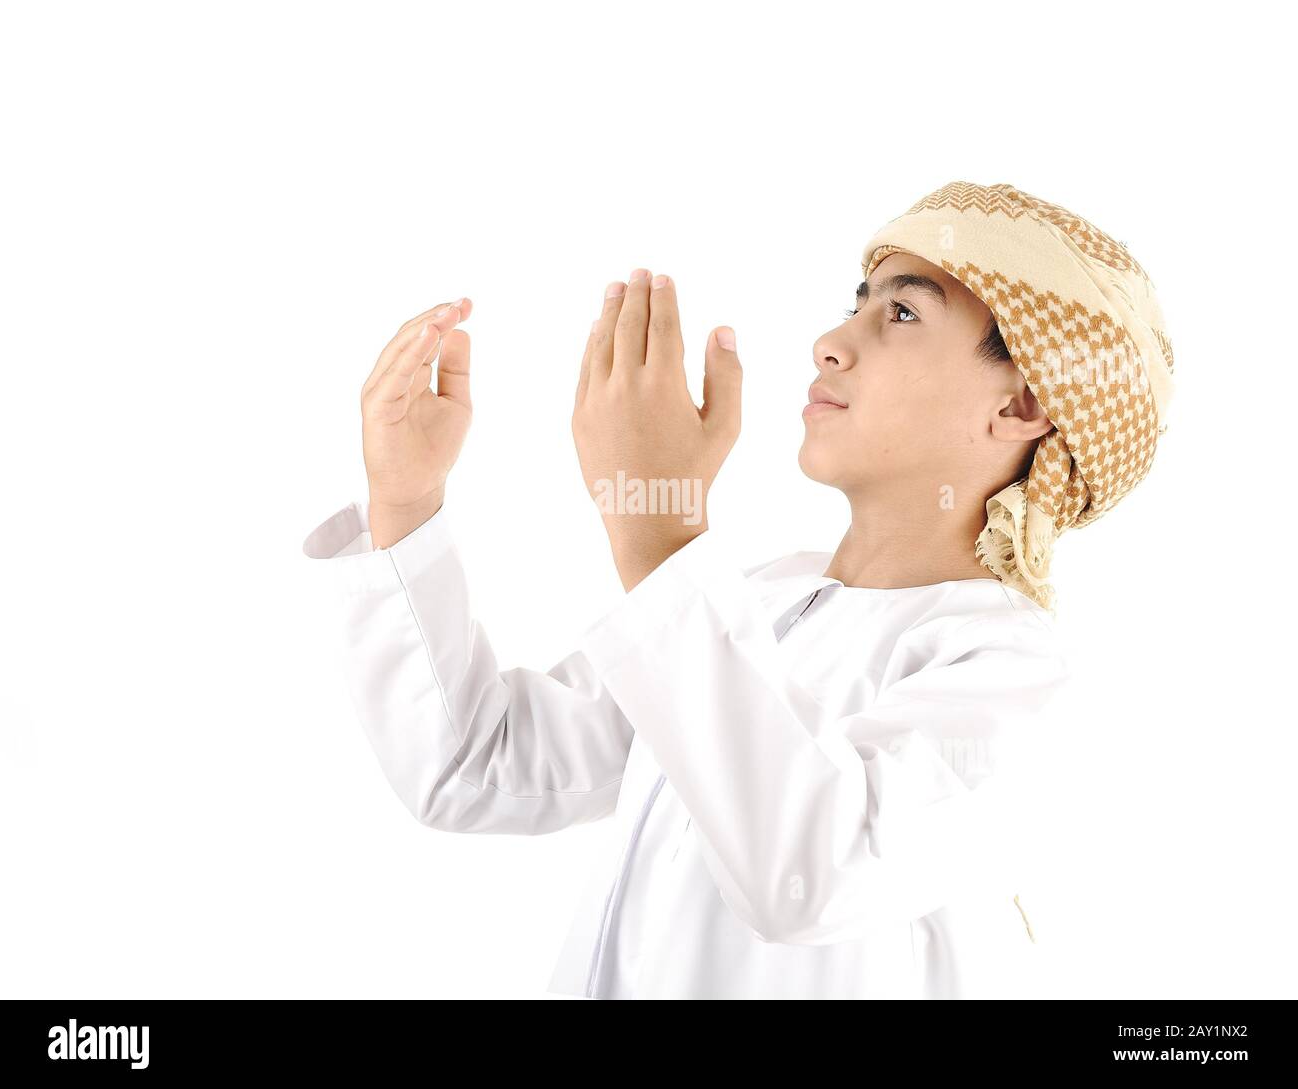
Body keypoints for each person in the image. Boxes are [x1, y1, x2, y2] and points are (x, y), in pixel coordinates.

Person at [302, 181, 1175, 999]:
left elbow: (815, 870)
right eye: (857, 302)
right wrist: (409, 504)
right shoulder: (759, 599)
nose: (832, 343)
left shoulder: (1018, 671)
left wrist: (660, 534)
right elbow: (480, 767)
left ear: (1022, 406)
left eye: (903, 311)